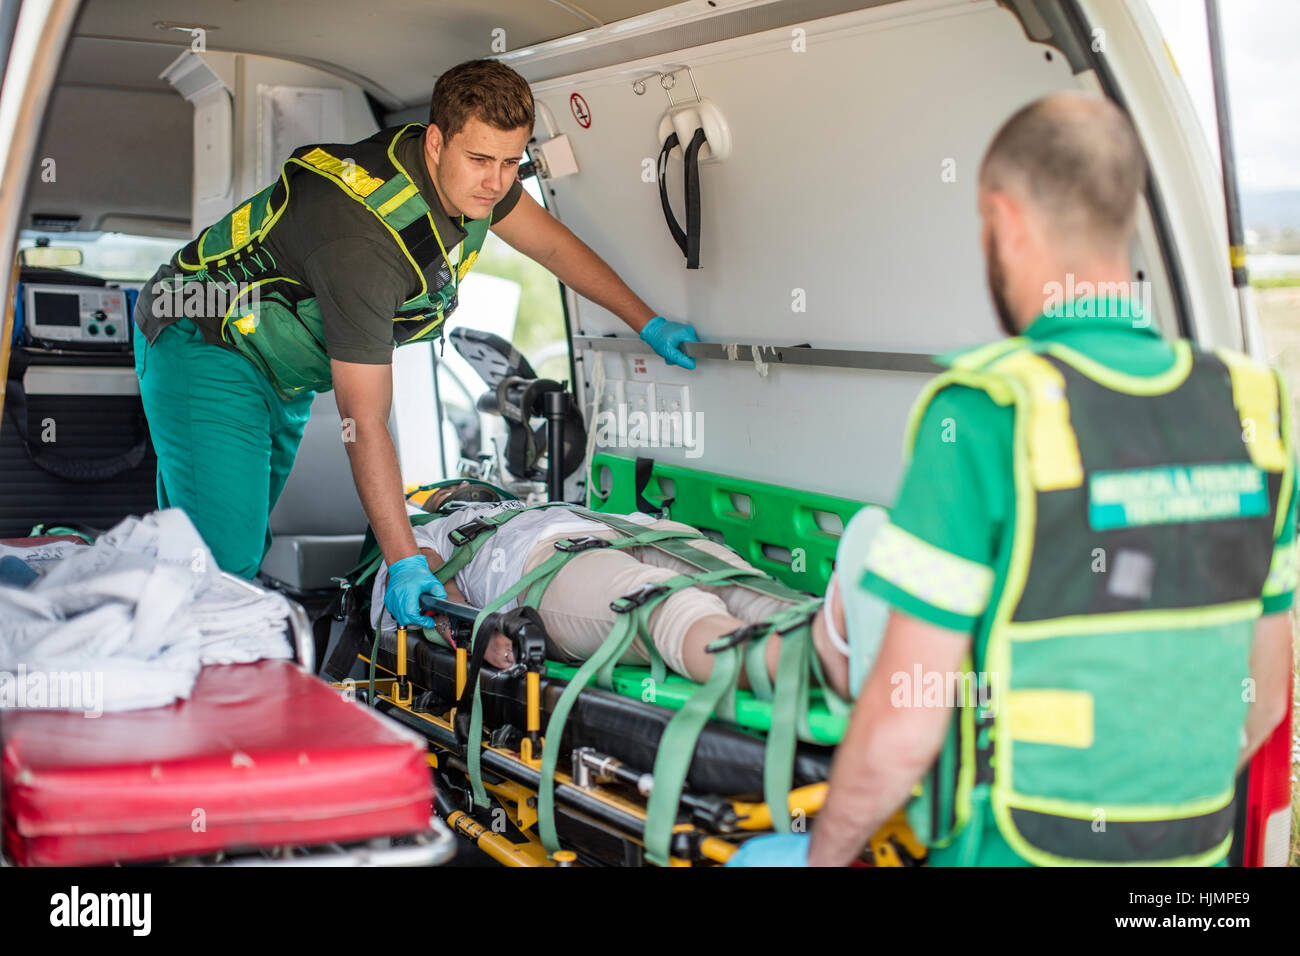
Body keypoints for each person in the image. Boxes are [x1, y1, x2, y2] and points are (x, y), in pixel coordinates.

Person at [732, 91, 1296, 867]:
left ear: (1007, 219)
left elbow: (906, 718)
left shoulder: (993, 409)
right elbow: (1266, 692)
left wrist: (823, 856)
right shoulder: (1251, 405)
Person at [132, 59, 701, 633]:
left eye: (511, 163)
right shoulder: (361, 243)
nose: (497, 182)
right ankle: (165, 682)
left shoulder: (472, 181)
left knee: (223, 537)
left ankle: (139, 621)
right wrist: (405, 560)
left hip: (274, 359)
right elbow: (364, 420)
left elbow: (553, 250)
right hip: (200, 337)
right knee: (224, 563)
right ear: (435, 142)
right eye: (480, 160)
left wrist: (646, 322)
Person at [370, 482, 859, 689]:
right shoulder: (413, 533)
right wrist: (481, 629)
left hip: (619, 528)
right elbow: (425, 576)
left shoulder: (524, 503)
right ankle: (798, 661)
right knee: (663, 600)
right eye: (449, 493)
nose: (466, 492)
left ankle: (838, 626)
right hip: (541, 570)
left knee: (731, 583)